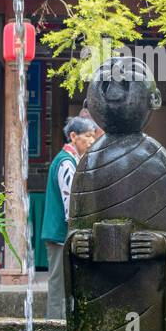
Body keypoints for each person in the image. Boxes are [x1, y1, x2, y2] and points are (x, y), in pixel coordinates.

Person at [43, 115, 100, 319]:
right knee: (59, 285)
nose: (92, 141)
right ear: (74, 136)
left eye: (93, 136)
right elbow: (70, 203)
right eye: (88, 136)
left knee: (66, 284)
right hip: (61, 234)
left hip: (63, 233)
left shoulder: (70, 159)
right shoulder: (66, 162)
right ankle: (54, 326)